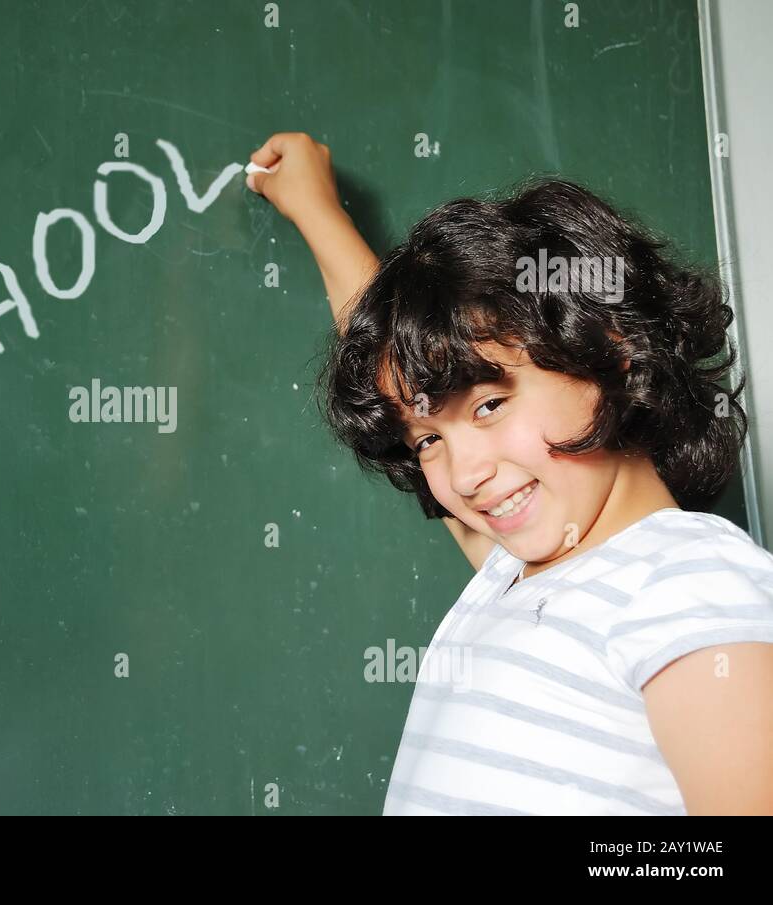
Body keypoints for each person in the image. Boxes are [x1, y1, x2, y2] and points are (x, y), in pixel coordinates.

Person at [246, 132, 773, 815]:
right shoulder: (510, 573)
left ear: (608, 353)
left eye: (491, 405)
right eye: (428, 438)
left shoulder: (686, 579)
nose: (465, 471)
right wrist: (320, 214)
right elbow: (398, 374)